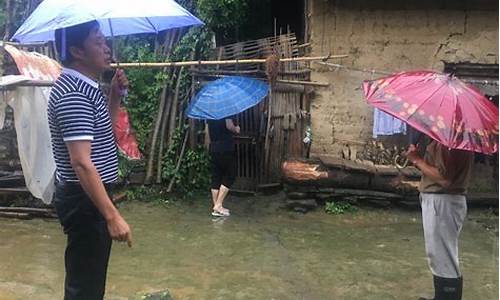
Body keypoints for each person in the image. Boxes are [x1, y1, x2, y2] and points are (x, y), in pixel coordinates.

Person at [48, 20, 132, 300]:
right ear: (77, 51)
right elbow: (81, 162)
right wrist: (112, 215)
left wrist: (114, 97)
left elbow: (101, 133)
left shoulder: (87, 87)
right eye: (98, 42)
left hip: (89, 197)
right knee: (84, 287)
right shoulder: (73, 93)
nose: (106, 48)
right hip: (84, 199)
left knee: (90, 281)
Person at [405, 139, 474, 300]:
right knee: (440, 255)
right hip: (444, 201)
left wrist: (416, 160)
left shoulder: (447, 141)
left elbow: (444, 179)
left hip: (442, 202)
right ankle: (442, 296)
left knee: (443, 257)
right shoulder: (453, 138)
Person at [208, 118, 240, 217]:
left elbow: (207, 132)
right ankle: (218, 205)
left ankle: (216, 208)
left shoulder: (210, 113)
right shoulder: (225, 109)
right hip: (225, 147)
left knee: (216, 176)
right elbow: (229, 125)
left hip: (214, 148)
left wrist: (209, 147)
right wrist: (236, 129)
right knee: (231, 174)